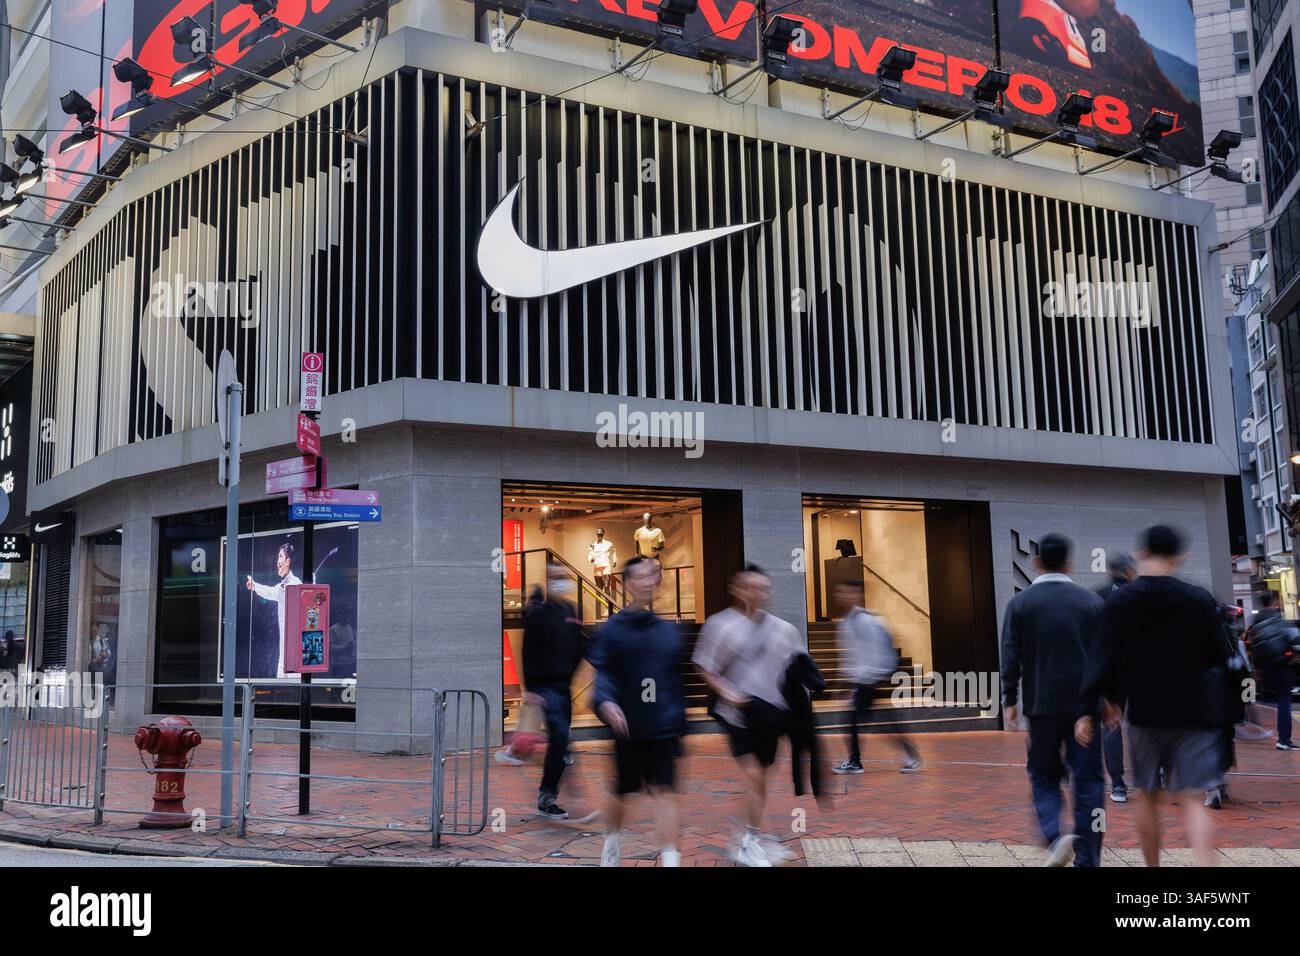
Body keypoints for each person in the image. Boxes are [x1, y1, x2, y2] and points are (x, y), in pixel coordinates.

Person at [1077, 525, 1230, 868]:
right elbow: (1219, 656)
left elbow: (1101, 656)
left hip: (1145, 711)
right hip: (1194, 712)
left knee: (1147, 795)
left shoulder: (1122, 601)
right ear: (1179, 557)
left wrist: (1094, 706)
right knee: (1192, 798)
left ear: (1142, 554)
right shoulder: (1198, 598)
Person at [1002, 533, 1105, 867]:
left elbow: (1010, 655)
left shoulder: (1020, 603)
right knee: (1089, 783)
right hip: (1084, 710)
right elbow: (1107, 657)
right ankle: (1088, 858)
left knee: (1043, 776)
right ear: (1070, 563)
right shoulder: (1091, 603)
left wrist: (1010, 698)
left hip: (1041, 706)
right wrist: (1110, 700)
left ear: (1036, 562)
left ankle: (1055, 835)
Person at [693, 564, 801, 866]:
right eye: (749, 586)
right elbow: (704, 665)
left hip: (772, 716)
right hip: (737, 715)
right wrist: (727, 693)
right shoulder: (719, 625)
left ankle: (750, 837)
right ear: (737, 589)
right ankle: (748, 844)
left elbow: (794, 669)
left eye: (762, 587)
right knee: (755, 777)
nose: (756, 592)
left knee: (762, 781)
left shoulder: (784, 629)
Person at [588, 557, 686, 867]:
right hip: (628, 729)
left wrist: (679, 720)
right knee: (622, 793)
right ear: (629, 583)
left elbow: (674, 681)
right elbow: (603, 676)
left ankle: (671, 859)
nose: (648, 581)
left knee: (666, 792)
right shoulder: (613, 629)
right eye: (641, 577)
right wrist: (606, 703)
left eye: (652, 576)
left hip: (663, 729)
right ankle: (612, 841)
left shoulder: (668, 631)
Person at [831, 580, 922, 775]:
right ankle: (910, 755)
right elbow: (850, 656)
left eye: (848, 592)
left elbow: (878, 651)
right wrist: (844, 684)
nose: (843, 595)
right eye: (841, 592)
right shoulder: (847, 622)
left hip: (868, 681)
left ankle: (855, 762)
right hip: (861, 682)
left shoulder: (866, 621)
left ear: (858, 594)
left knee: (854, 720)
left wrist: (873, 677)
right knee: (880, 721)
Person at [519, 563, 588, 819]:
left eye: (563, 577)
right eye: (556, 577)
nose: (561, 581)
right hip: (545, 687)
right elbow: (528, 651)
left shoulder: (572, 610)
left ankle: (550, 789)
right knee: (559, 738)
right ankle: (547, 797)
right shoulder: (538, 614)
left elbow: (580, 644)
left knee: (560, 743)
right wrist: (531, 688)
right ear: (548, 581)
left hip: (564, 687)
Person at [1094, 552, 1135, 804]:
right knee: (1150, 724)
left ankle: (1118, 784)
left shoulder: (1098, 596)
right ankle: (1157, 773)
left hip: (1111, 671)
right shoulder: (1143, 595)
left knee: (1112, 725)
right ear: (1129, 570)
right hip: (1143, 669)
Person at [1247, 589, 1299, 752]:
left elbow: (1253, 648)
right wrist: (1293, 658)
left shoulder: (1255, 624)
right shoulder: (1279, 620)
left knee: (1278, 700)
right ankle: (1284, 739)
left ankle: (1282, 738)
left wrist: (1257, 671)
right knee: (1284, 700)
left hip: (1265, 669)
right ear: (1275, 602)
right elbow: (1296, 643)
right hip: (1281, 666)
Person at [245, 541, 302, 678]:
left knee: (293, 689)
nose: (277, 561)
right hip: (284, 652)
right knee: (282, 685)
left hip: (295, 652)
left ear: (288, 561)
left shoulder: (296, 584)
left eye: (280, 557)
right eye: (278, 557)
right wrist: (254, 586)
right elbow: (270, 592)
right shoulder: (282, 586)